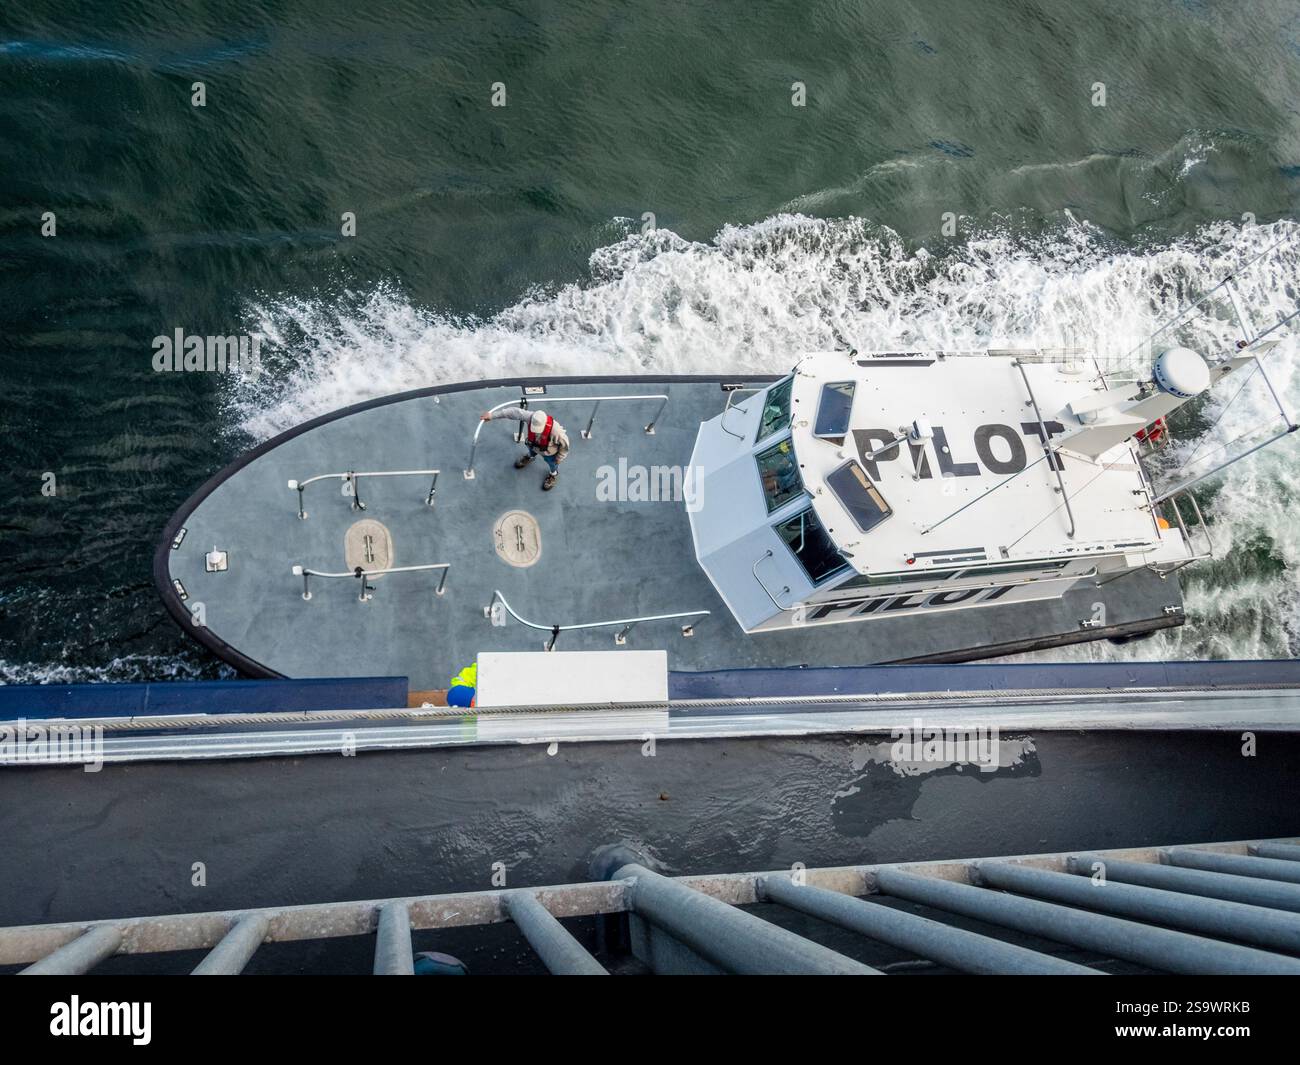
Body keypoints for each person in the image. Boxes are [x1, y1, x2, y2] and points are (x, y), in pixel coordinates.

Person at [480, 407, 570, 490]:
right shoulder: (531, 417)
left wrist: (560, 458)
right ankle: (530, 457)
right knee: (531, 452)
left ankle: (553, 474)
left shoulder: (556, 431)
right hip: (533, 445)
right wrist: (492, 415)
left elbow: (565, 446)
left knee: (552, 463)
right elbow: (513, 412)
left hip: (549, 452)